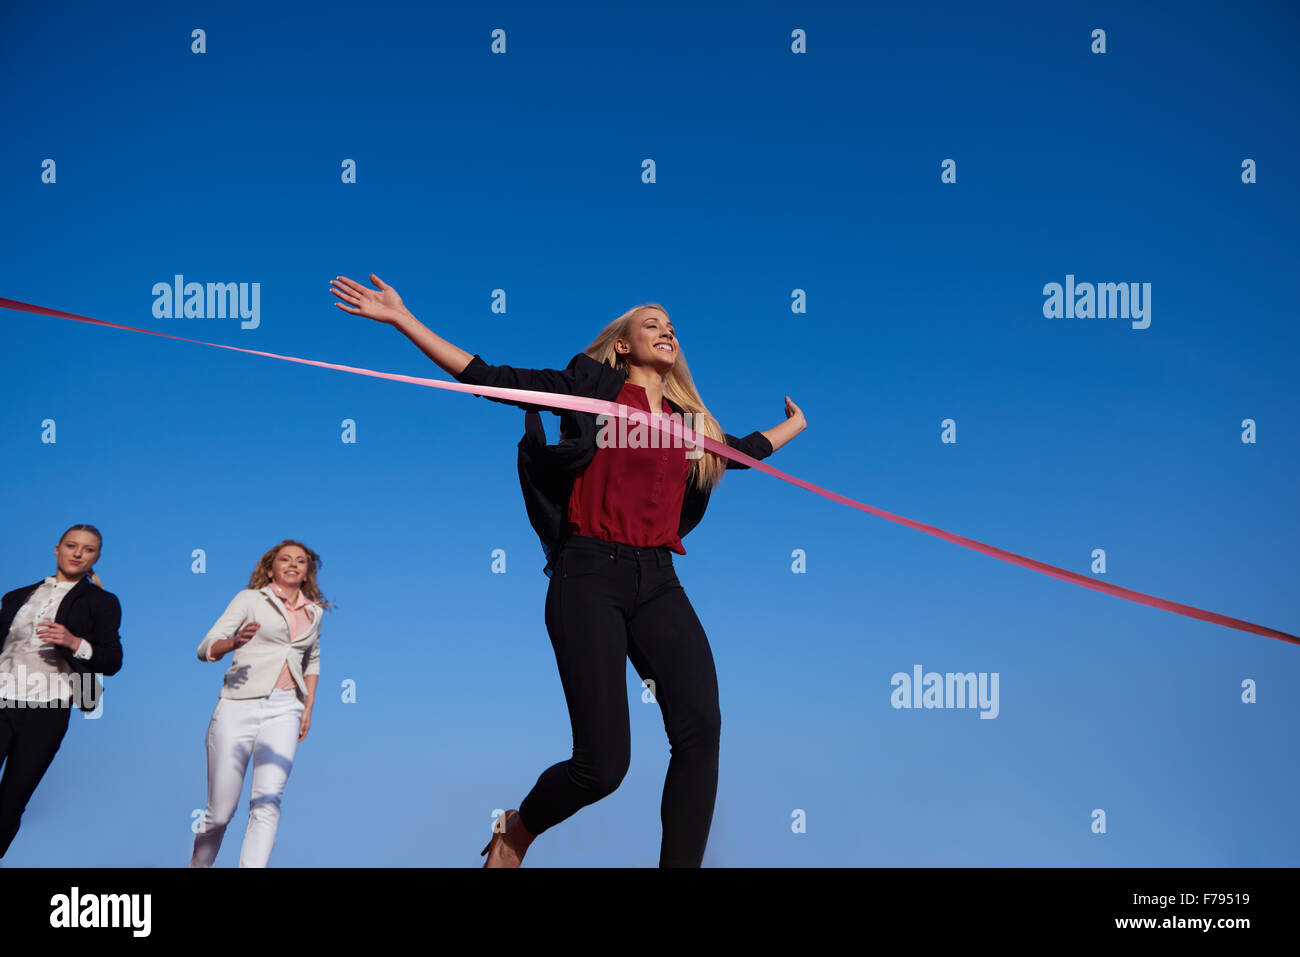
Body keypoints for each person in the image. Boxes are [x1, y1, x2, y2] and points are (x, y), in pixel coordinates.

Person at [330, 272, 807, 867]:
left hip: (659, 581)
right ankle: (517, 829)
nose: (667, 332)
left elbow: (741, 453)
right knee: (603, 767)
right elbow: (493, 380)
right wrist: (404, 320)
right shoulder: (590, 390)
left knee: (701, 730)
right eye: (651, 324)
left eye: (673, 327)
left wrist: (795, 426)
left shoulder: (691, 426)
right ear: (624, 345)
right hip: (588, 575)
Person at [189, 540, 329, 867]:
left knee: (267, 801)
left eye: (301, 561)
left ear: (308, 572)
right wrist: (233, 642)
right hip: (239, 705)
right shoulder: (250, 599)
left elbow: (312, 660)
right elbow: (205, 646)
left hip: (286, 708)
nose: (293, 564)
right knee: (220, 813)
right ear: (270, 568)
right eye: (285, 559)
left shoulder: (314, 613)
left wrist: (307, 708)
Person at [0, 524, 123, 859]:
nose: (78, 553)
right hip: (2, 697)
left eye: (88, 549)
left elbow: (112, 660)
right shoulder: (14, 597)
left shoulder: (102, 602)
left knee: (12, 800)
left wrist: (73, 642)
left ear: (96, 557)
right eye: (71, 545)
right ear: (57, 549)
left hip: (48, 709)